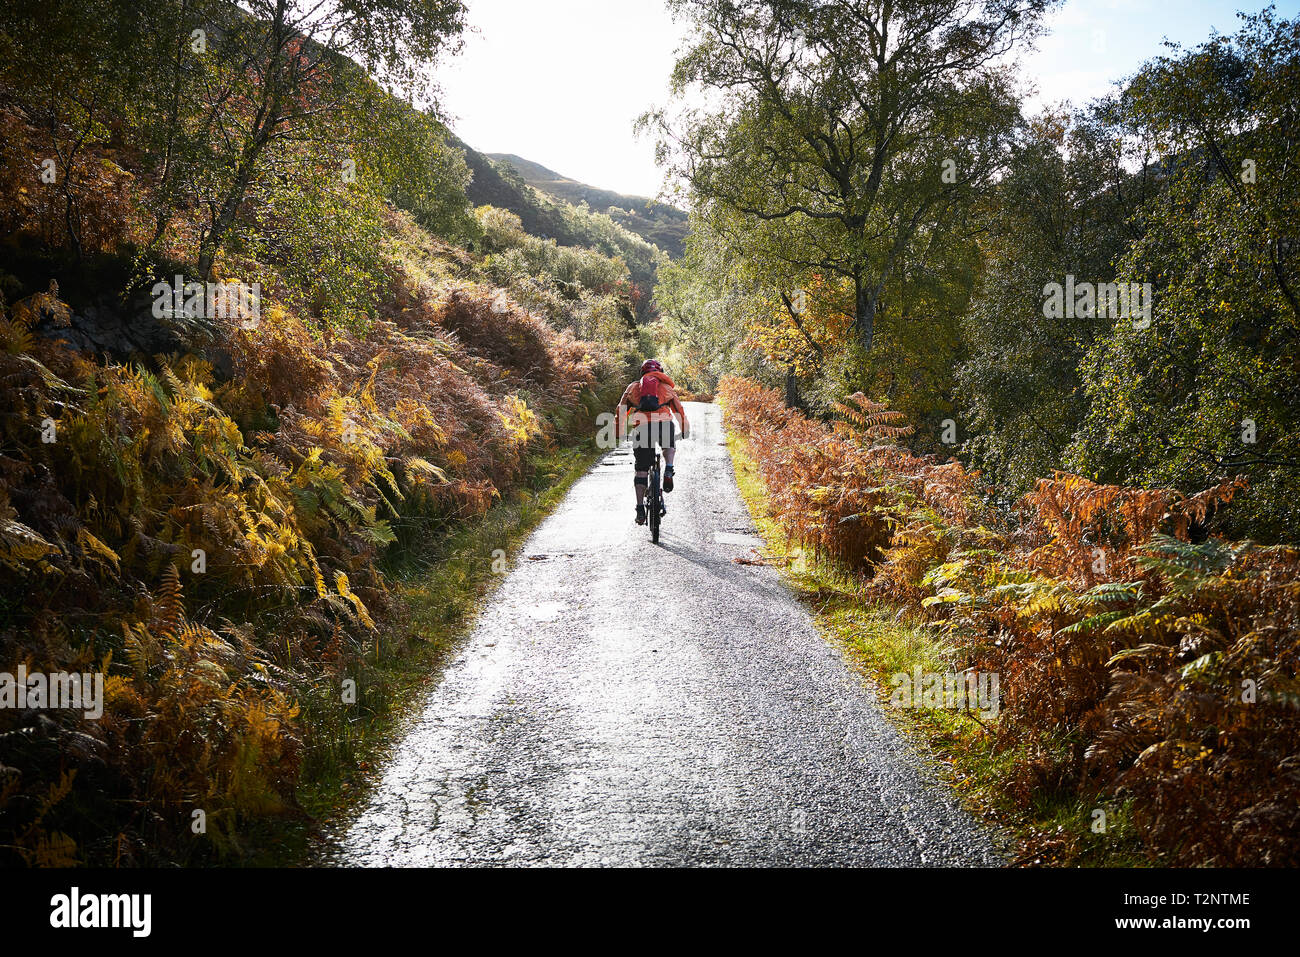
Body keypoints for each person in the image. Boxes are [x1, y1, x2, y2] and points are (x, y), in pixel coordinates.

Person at [618, 359, 689, 525]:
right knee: (669, 445)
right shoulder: (666, 387)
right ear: (660, 371)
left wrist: (618, 431)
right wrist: (684, 428)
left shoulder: (633, 388)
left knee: (641, 469)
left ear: (642, 372)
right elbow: (679, 410)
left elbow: (621, 410)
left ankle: (640, 508)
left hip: (642, 428)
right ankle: (669, 469)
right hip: (664, 424)